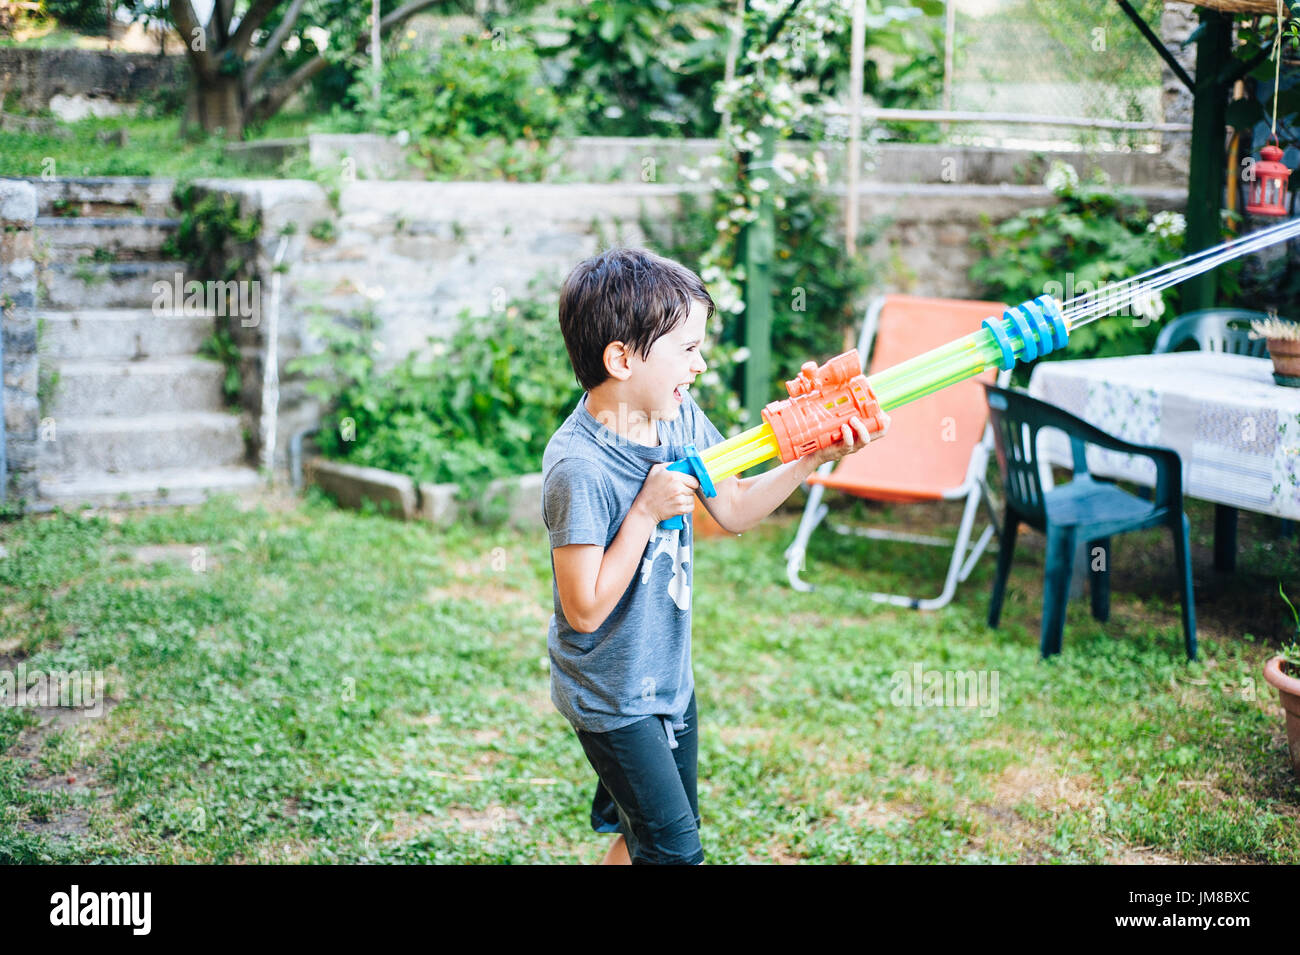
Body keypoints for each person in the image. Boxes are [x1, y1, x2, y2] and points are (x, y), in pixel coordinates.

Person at [542, 247, 889, 865]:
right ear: (621, 358)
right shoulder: (580, 467)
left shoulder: (677, 418)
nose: (700, 365)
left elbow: (733, 510)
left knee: (645, 835)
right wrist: (645, 513)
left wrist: (809, 456)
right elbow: (585, 610)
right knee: (675, 851)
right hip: (614, 697)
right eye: (688, 349)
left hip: (670, 680)